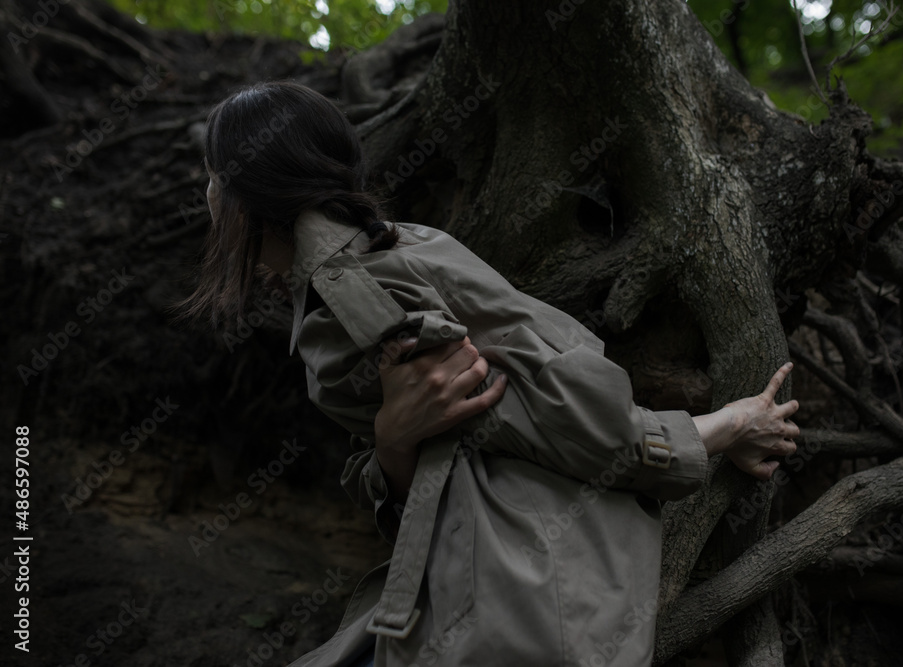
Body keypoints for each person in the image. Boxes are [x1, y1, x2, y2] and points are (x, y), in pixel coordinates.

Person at [174, 80, 799, 667]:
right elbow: (457, 428)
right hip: (511, 586)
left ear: (244, 188)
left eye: (210, 178)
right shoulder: (398, 248)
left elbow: (585, 423)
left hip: (518, 603)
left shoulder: (358, 298)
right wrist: (394, 439)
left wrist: (727, 424)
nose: (205, 198)